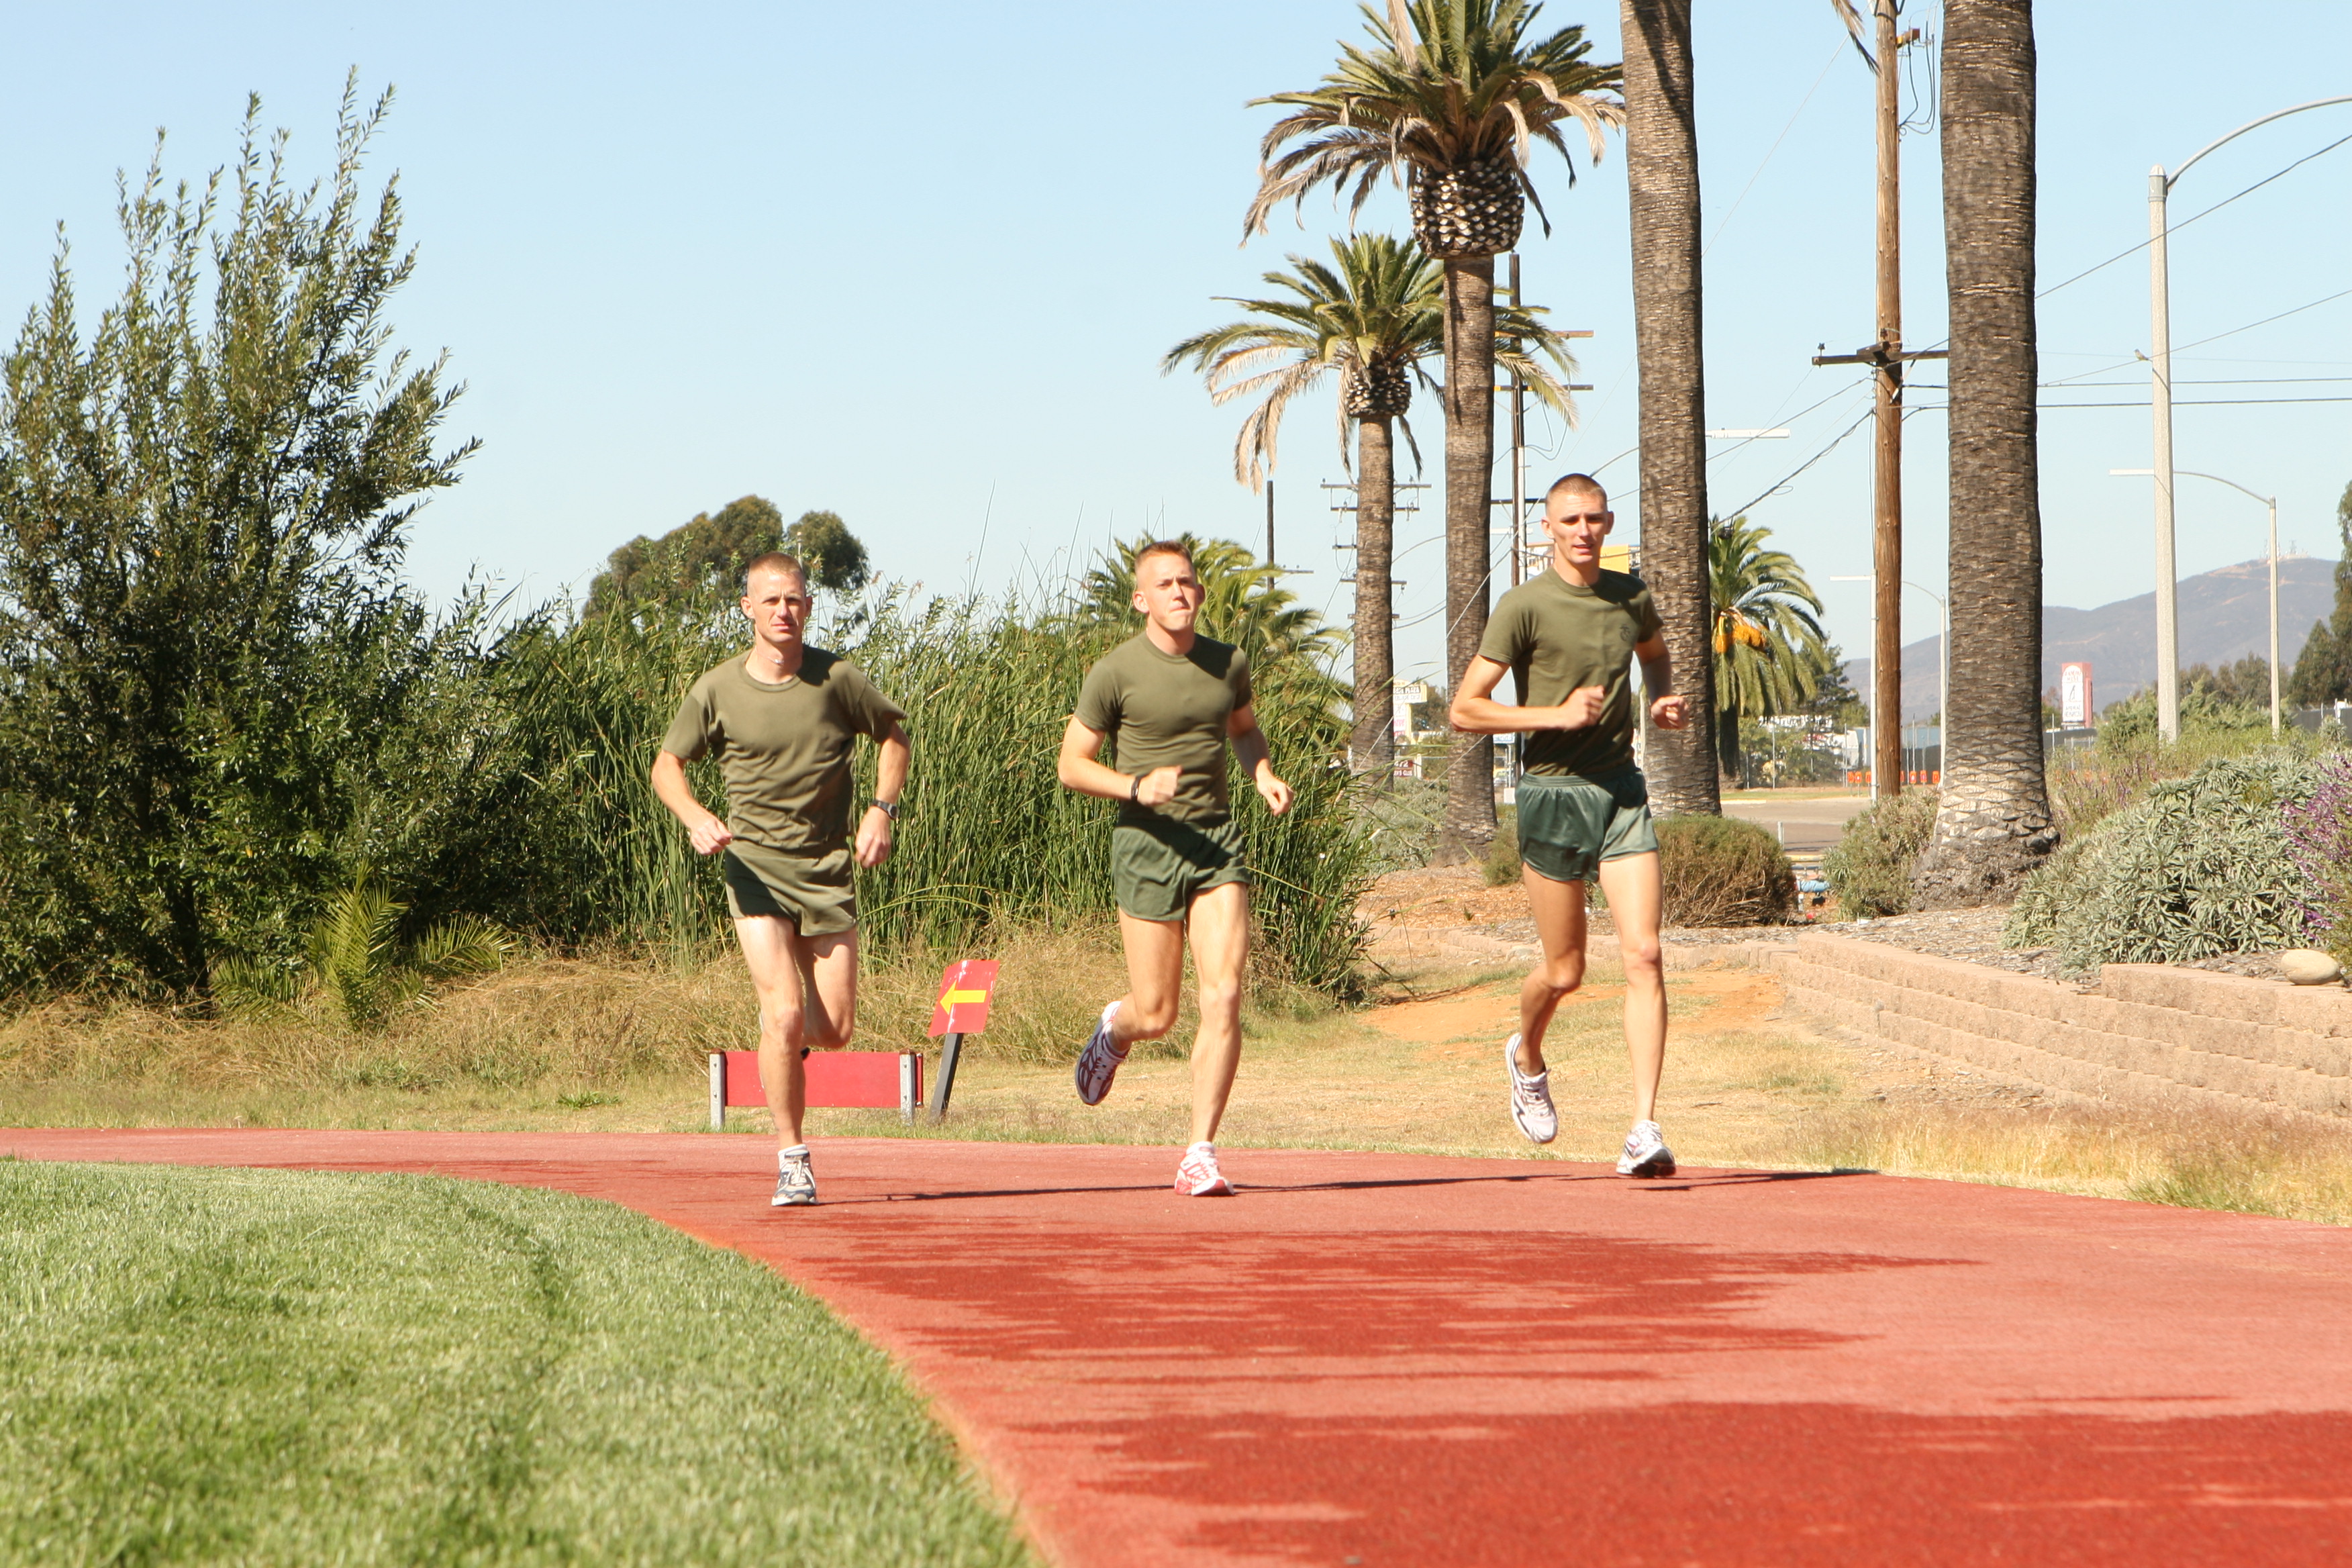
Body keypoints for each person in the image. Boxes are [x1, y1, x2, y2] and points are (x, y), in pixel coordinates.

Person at [1449, 474, 1690, 1177]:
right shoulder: (1523, 606)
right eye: (1570, 519)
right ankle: (1525, 1053)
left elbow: (1653, 653)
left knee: (1644, 954)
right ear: (1546, 528)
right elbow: (1466, 708)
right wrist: (1552, 716)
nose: (1584, 530)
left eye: (1594, 518)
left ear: (1609, 522)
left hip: (1621, 793)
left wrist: (1661, 700)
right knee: (1566, 969)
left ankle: (1643, 1127)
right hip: (1552, 794)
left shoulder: (1630, 596)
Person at [651, 552, 910, 1208]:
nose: (783, 611)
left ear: (808, 606)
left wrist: (882, 810)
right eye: (770, 601)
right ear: (747, 608)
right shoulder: (717, 688)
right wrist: (694, 815)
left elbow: (894, 736)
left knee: (834, 1028)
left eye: (793, 600)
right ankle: (793, 1157)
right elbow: (666, 766)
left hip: (826, 870)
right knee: (784, 1010)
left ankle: (783, 1048)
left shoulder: (838, 679)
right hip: (754, 869)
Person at [1056, 540, 1293, 1196]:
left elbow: (1244, 729)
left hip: (1217, 845)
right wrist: (1135, 787)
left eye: (1187, 582)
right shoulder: (1114, 672)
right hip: (1146, 846)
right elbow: (1072, 763)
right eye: (1165, 584)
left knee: (1223, 994)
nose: (1179, 592)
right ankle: (1115, 1029)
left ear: (1201, 593)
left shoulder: (1227, 664)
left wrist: (1263, 774)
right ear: (1142, 599)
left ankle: (1200, 1151)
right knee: (1157, 1011)